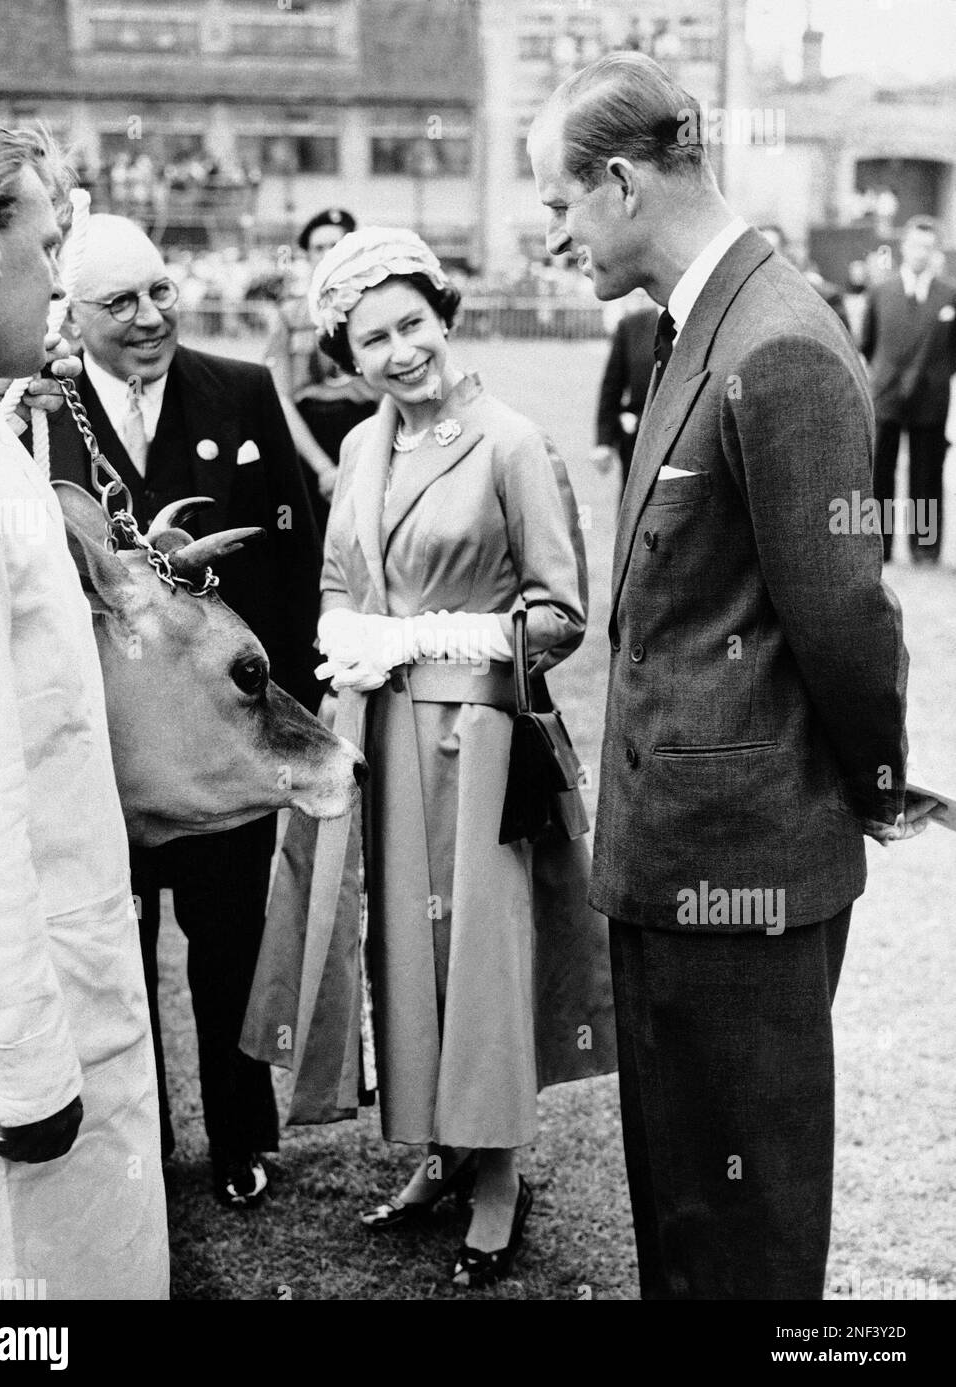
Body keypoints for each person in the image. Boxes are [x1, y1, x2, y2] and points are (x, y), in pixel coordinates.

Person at [529, 52, 933, 1300]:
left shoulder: (781, 342)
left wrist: (873, 785)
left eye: (557, 205)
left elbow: (845, 615)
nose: (552, 235)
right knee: (684, 1209)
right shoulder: (696, 324)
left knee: (742, 1242)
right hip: (676, 860)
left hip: (744, 874)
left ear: (618, 180)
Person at [240, 227, 616, 1289]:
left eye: (412, 324)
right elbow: (333, 580)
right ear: (344, 357)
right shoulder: (360, 449)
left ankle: (497, 1173)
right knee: (401, 951)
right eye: (374, 339)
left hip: (480, 735)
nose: (401, 351)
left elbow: (559, 616)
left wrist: (424, 637)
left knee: (480, 961)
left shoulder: (509, 441)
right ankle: (441, 1155)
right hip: (376, 735)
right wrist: (343, 639)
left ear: (443, 316)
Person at [0, 108, 167, 1298]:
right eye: (50, 243)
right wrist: (26, 1072)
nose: (60, 285)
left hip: (53, 987)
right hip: (13, 1054)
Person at [40, 213, 322, 1207]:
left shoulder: (241, 389)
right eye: (119, 301)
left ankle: (244, 1134)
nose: (151, 315)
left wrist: (281, 725)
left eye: (160, 289)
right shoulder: (39, 410)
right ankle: (141, 1143)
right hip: (105, 750)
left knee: (228, 939)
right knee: (118, 949)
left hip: (218, 745)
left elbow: (293, 568)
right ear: (67, 313)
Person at [262, 208, 378, 530]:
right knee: (306, 539)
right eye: (319, 248)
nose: (328, 254)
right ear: (308, 256)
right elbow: (281, 399)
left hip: (369, 432)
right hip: (308, 441)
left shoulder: (375, 309)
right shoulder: (289, 316)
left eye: (337, 245)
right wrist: (324, 467)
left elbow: (391, 394)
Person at [860, 215, 956, 564]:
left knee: (926, 476)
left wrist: (937, 373)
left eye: (928, 247)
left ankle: (925, 546)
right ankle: (876, 547)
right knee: (879, 473)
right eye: (916, 245)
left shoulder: (950, 294)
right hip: (886, 395)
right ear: (904, 246)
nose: (921, 253)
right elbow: (867, 343)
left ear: (935, 252)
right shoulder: (880, 291)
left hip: (931, 397)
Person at [592, 288, 657, 508]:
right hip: (637, 434)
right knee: (633, 504)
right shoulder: (631, 326)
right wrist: (604, 441)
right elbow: (612, 386)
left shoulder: (695, 324)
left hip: (686, 434)